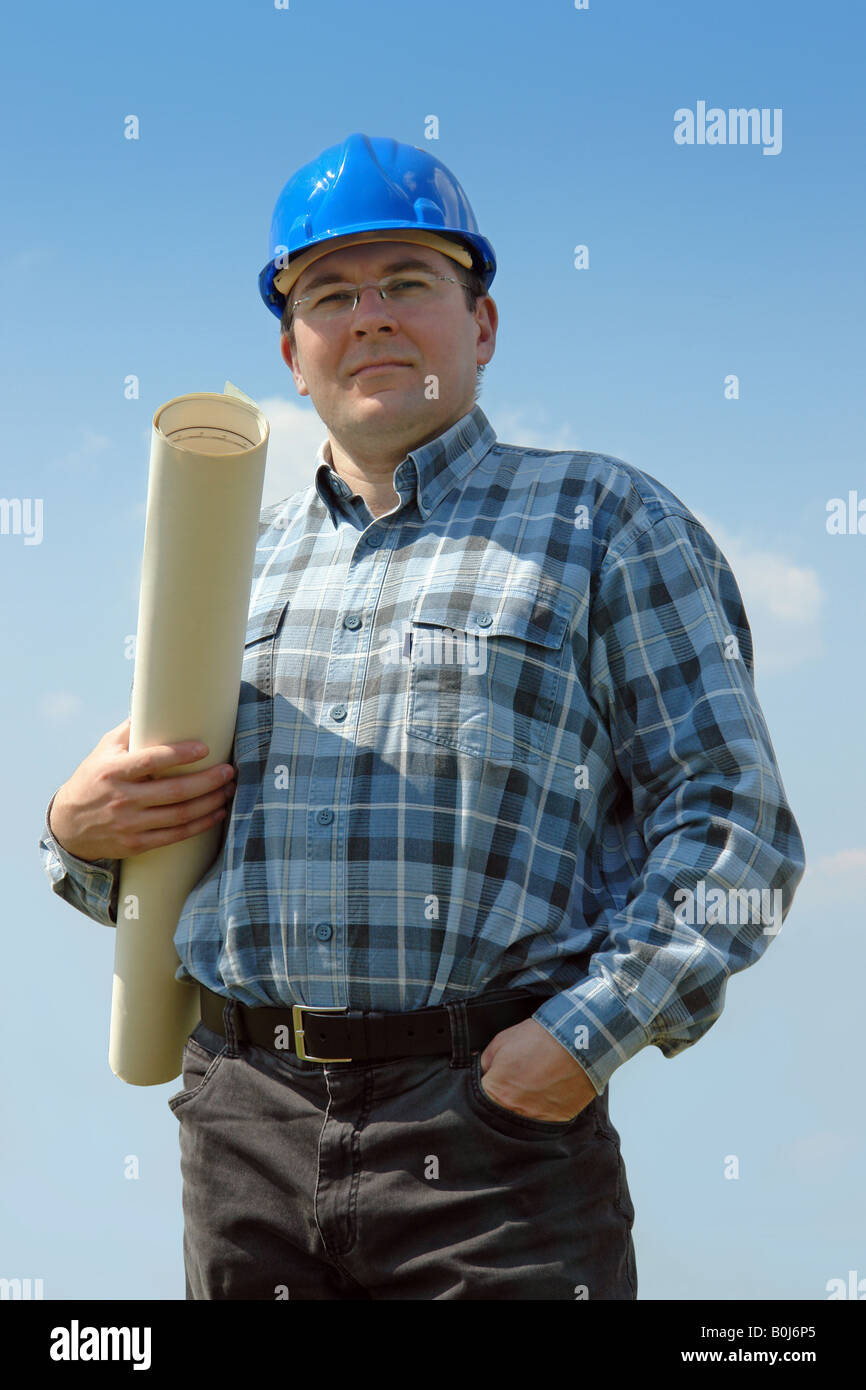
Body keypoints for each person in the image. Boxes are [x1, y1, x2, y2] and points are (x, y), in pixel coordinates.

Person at [39, 132, 806, 1301]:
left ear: (480, 326)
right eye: (329, 294)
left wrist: (579, 1039)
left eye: (408, 283)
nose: (369, 316)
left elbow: (730, 823)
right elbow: (159, 844)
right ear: (290, 352)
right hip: (245, 1128)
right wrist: (78, 834)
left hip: (492, 1141)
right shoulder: (224, 563)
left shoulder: (602, 522)